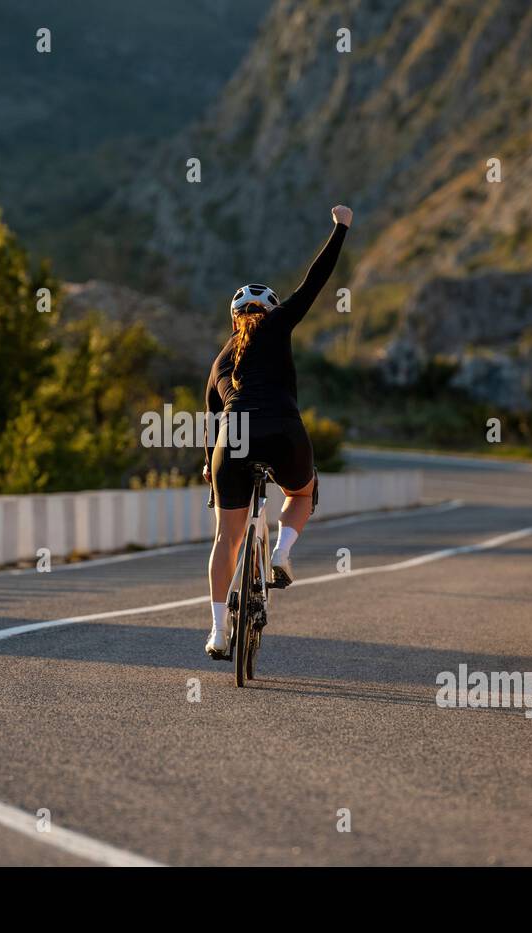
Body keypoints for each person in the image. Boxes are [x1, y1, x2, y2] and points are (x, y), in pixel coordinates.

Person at [202, 204, 352, 659]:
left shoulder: (219, 363)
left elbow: (211, 422)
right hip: (284, 430)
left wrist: (210, 469)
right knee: (302, 493)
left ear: (233, 320)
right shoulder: (279, 324)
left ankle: (217, 632)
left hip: (234, 438)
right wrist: (340, 228)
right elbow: (315, 280)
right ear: (268, 313)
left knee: (225, 539)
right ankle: (282, 550)